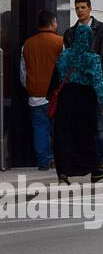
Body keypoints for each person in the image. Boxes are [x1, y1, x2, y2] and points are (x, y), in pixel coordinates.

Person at [50, 24, 103, 184]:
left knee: (63, 134)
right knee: (86, 134)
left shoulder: (64, 56)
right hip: (85, 98)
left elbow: (56, 78)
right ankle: (94, 170)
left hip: (66, 97)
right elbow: (98, 80)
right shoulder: (92, 58)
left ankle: (63, 173)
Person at [65, 0, 103, 166]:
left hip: (97, 79)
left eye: (83, 7)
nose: (80, 10)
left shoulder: (102, 29)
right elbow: (69, 58)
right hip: (78, 84)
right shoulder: (70, 32)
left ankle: (97, 160)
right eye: (77, 8)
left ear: (90, 8)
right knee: (80, 123)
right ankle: (83, 159)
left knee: (100, 125)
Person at [20, 10, 63, 171]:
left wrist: (29, 86)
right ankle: (57, 159)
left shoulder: (28, 44)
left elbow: (23, 71)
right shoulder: (60, 42)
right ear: (52, 23)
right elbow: (65, 69)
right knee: (57, 129)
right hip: (56, 95)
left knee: (40, 129)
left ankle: (43, 162)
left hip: (35, 95)